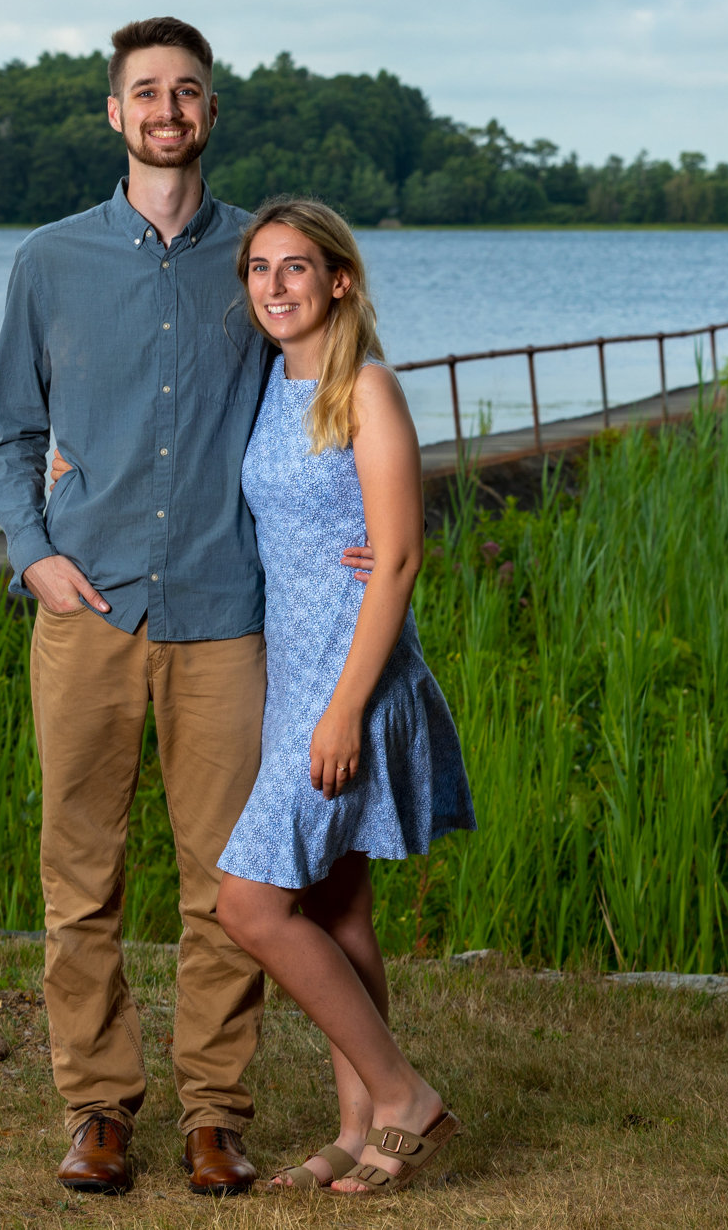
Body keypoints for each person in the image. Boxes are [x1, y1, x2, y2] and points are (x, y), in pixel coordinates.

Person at [0, 17, 370, 1198]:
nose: (166, 109)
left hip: (225, 610)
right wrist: (33, 554)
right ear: (115, 112)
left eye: (186, 90)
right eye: (145, 91)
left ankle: (216, 1114)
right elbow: (8, 433)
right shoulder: (48, 261)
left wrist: (365, 524)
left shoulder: (263, 258)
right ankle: (97, 1108)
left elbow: (336, 388)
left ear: (210, 111)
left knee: (225, 881)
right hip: (85, 610)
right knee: (79, 875)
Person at [211, 198, 476, 1196]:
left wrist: (344, 708)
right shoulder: (274, 382)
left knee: (248, 903)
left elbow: (398, 556)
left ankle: (405, 1095)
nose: (275, 285)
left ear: (340, 280)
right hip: (295, 673)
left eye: (296, 267)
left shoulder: (367, 386)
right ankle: (358, 1125)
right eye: (259, 268)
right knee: (336, 906)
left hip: (350, 679)